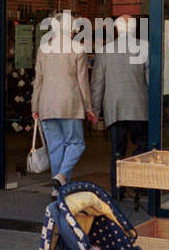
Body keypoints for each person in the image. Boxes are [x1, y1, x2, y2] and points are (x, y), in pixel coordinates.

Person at [32, 11, 95, 196]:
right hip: (70, 104)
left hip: (46, 104)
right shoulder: (78, 49)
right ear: (71, 30)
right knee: (76, 143)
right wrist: (89, 108)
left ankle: (56, 190)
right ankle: (60, 177)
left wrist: (35, 107)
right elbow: (82, 82)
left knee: (55, 147)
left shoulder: (43, 49)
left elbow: (38, 81)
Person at [91, 15, 149, 200]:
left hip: (114, 108)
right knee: (144, 145)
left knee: (117, 149)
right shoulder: (145, 47)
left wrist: (94, 110)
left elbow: (97, 83)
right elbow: (150, 80)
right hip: (139, 107)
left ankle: (117, 190)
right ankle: (139, 181)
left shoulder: (105, 50)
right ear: (134, 28)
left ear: (117, 30)